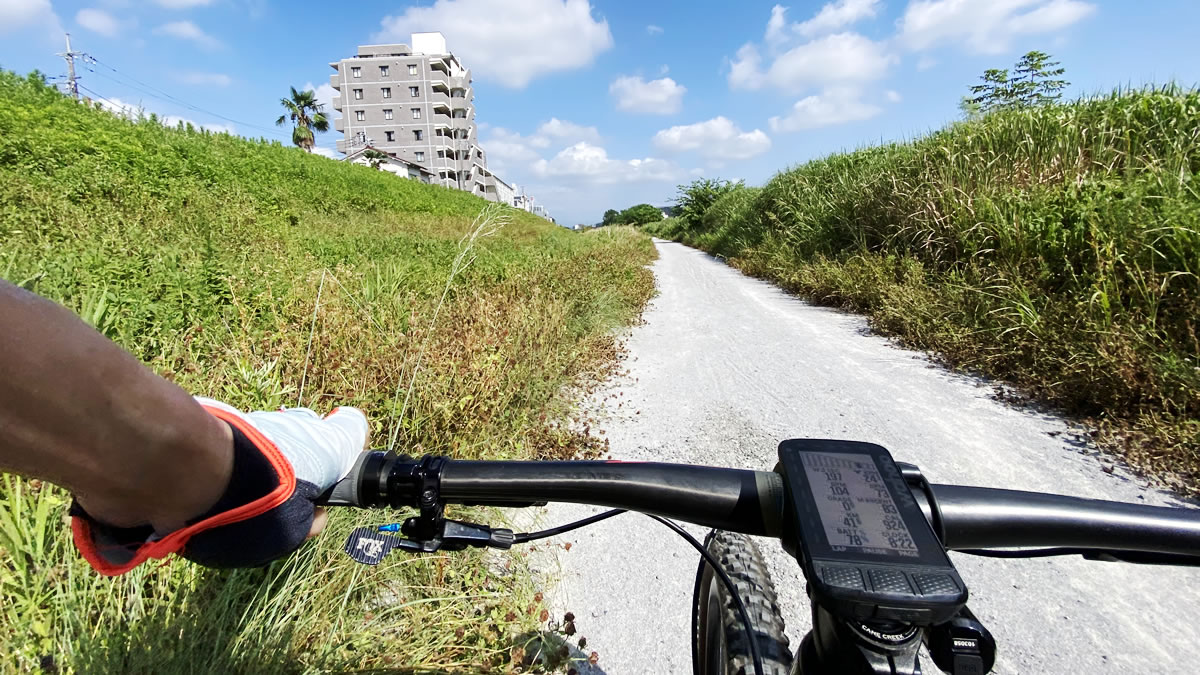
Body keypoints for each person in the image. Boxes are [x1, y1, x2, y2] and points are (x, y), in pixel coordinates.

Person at [0, 279, 368, 575]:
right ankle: (222, 466)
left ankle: (206, 467)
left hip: (154, 513)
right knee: (346, 426)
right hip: (249, 482)